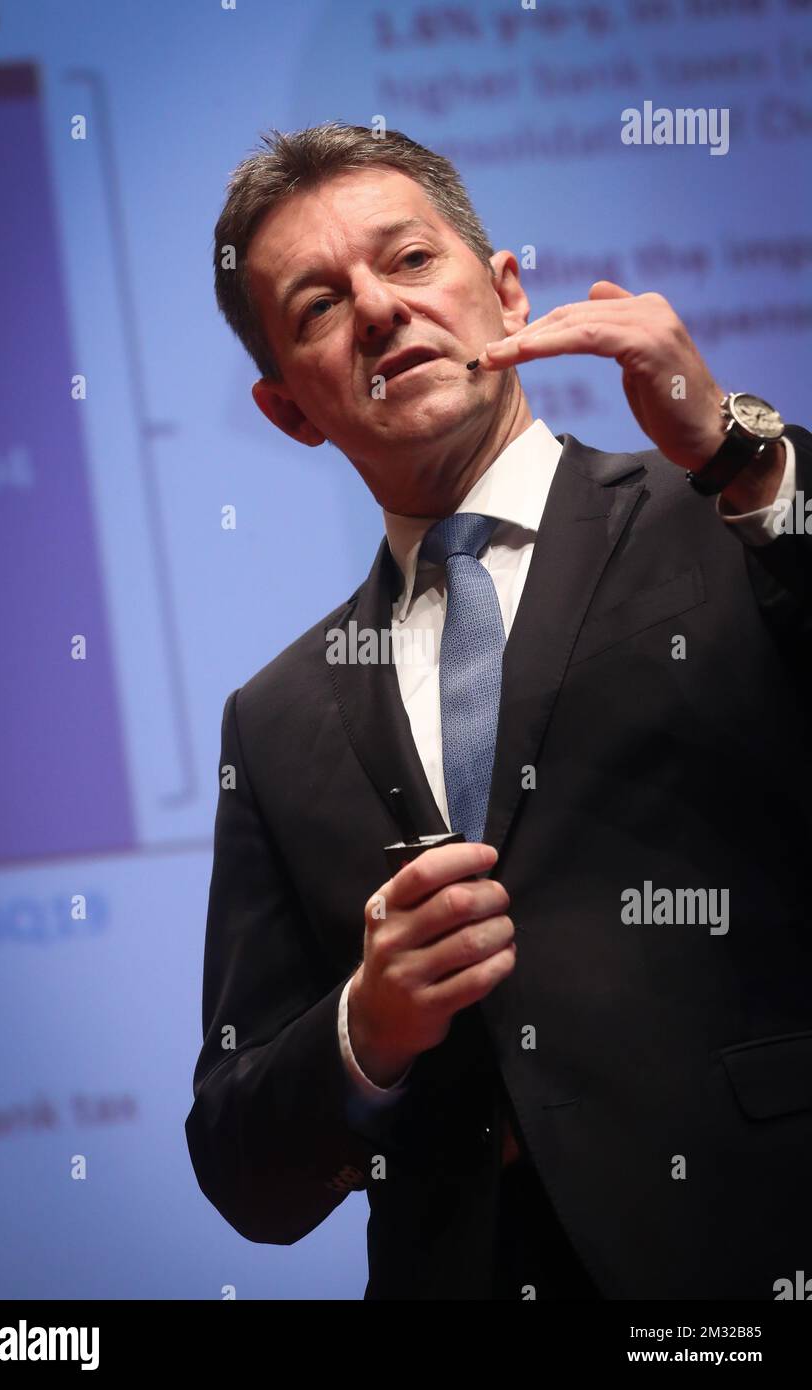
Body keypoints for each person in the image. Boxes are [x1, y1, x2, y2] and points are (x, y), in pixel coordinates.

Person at [185, 122, 812, 1300]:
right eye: (319, 304)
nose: (376, 310)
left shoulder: (726, 514)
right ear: (289, 411)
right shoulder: (272, 720)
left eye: (411, 261)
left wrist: (740, 455)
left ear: (507, 288)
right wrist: (364, 1031)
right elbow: (236, 1159)